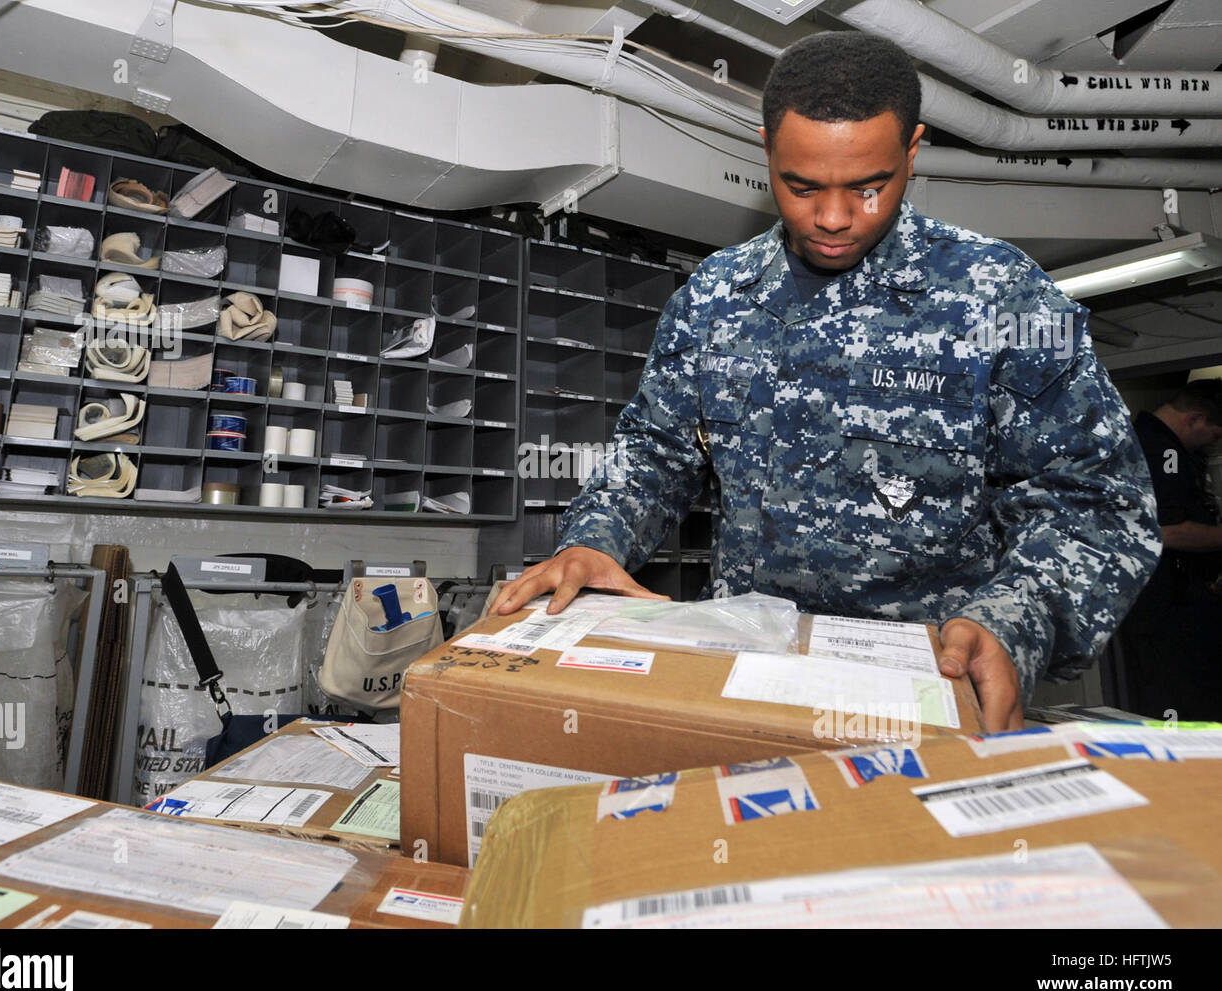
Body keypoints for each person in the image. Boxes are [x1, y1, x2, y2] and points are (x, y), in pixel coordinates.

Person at [492, 31, 1160, 732]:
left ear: (913, 150)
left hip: (928, 686)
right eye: (801, 185)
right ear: (766, 150)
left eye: (869, 187)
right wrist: (597, 537)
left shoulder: (1000, 295)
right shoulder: (717, 296)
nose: (835, 218)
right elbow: (655, 453)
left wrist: (1011, 621)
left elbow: (1099, 505)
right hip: (748, 681)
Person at [1121, 381, 1222, 721]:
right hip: (1166, 608)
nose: (1212, 444)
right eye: (1215, 434)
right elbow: (1167, 531)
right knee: (1178, 704)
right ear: (1195, 419)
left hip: (1174, 604)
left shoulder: (1151, 443)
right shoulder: (1162, 452)